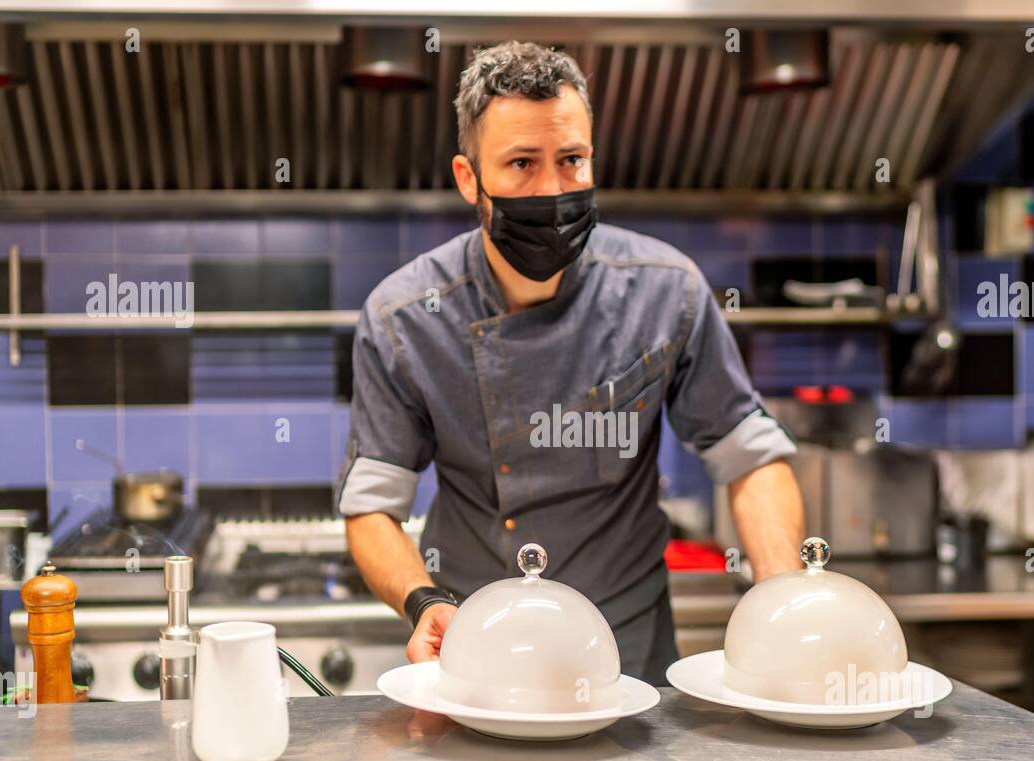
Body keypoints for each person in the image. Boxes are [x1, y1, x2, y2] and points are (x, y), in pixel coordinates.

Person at [335, 41, 804, 685]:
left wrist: (781, 604)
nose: (551, 189)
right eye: (522, 163)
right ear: (469, 178)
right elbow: (372, 508)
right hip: (478, 658)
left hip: (630, 665)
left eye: (571, 160)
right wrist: (424, 602)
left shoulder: (667, 292)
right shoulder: (406, 317)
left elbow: (751, 461)